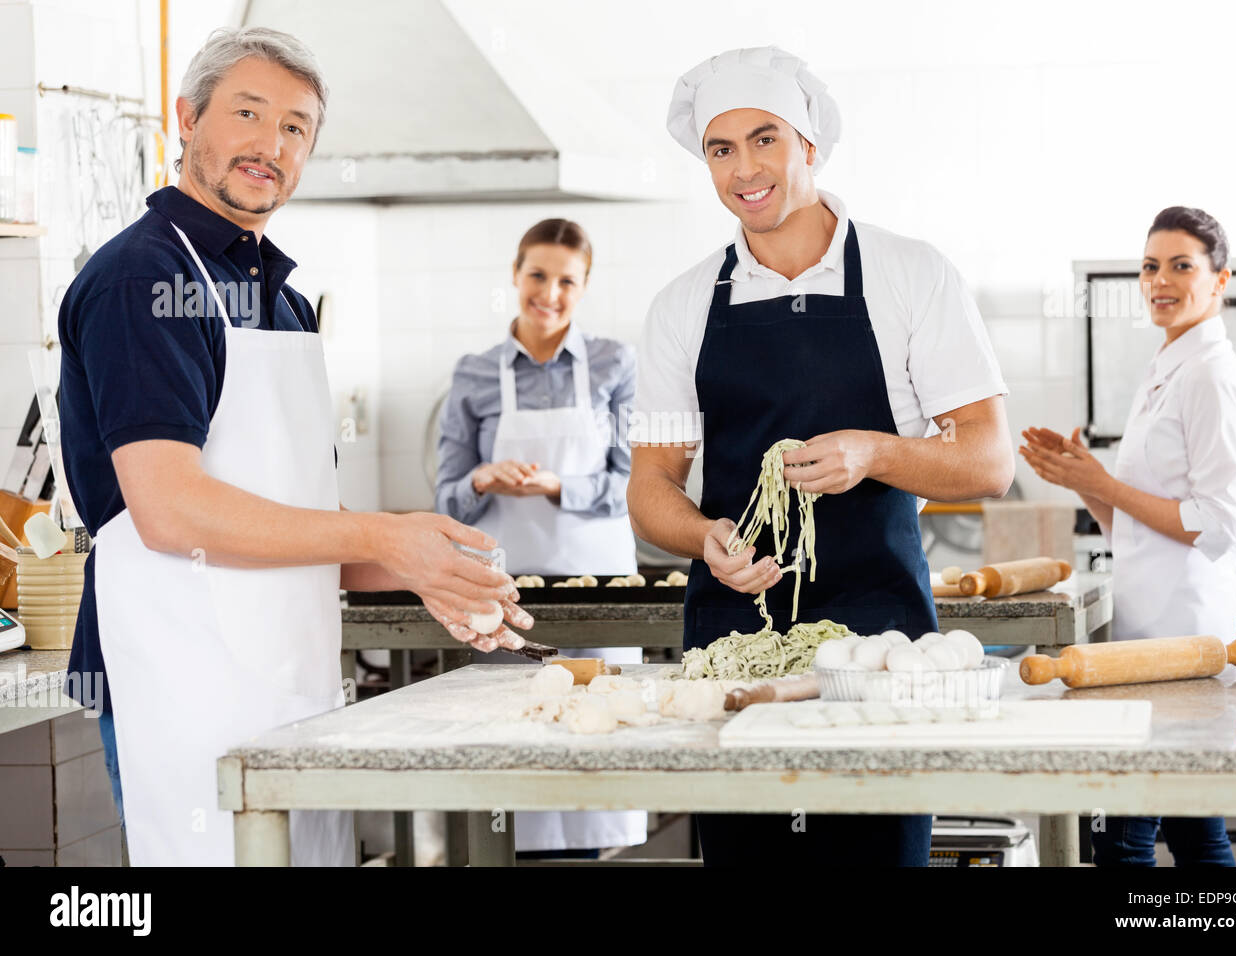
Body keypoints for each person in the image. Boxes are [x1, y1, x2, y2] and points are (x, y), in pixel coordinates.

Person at [58, 27, 529, 867]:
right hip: (180, 683)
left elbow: (303, 523)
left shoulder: (278, 295)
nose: (270, 145)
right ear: (188, 118)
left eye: (296, 127)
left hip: (290, 683)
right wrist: (387, 536)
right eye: (248, 113)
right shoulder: (144, 280)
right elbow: (169, 511)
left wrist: (434, 566)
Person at [628, 46, 1014, 866]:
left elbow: (988, 461)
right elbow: (652, 485)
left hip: (881, 649)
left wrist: (873, 453)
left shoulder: (911, 274)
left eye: (765, 139)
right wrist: (703, 539)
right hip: (737, 639)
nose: (744, 169)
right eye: (720, 150)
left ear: (810, 145)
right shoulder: (684, 304)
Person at [1020, 206, 1236, 867]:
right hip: (1155, 631)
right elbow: (1135, 527)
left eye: (1182, 265)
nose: (1161, 279)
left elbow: (1214, 521)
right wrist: (1082, 481)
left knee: (1125, 838)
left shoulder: (1212, 375)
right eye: (1150, 266)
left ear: (1220, 280)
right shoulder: (1167, 369)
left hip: (1191, 632)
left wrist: (1104, 481)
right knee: (1191, 830)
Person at [436, 218, 645, 857]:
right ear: (515, 274)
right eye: (537, 275)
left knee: (596, 738)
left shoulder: (616, 363)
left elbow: (636, 482)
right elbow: (445, 497)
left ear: (583, 287)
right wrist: (483, 477)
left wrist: (560, 486)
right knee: (515, 747)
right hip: (503, 599)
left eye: (566, 281)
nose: (548, 292)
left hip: (602, 592)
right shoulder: (473, 374)